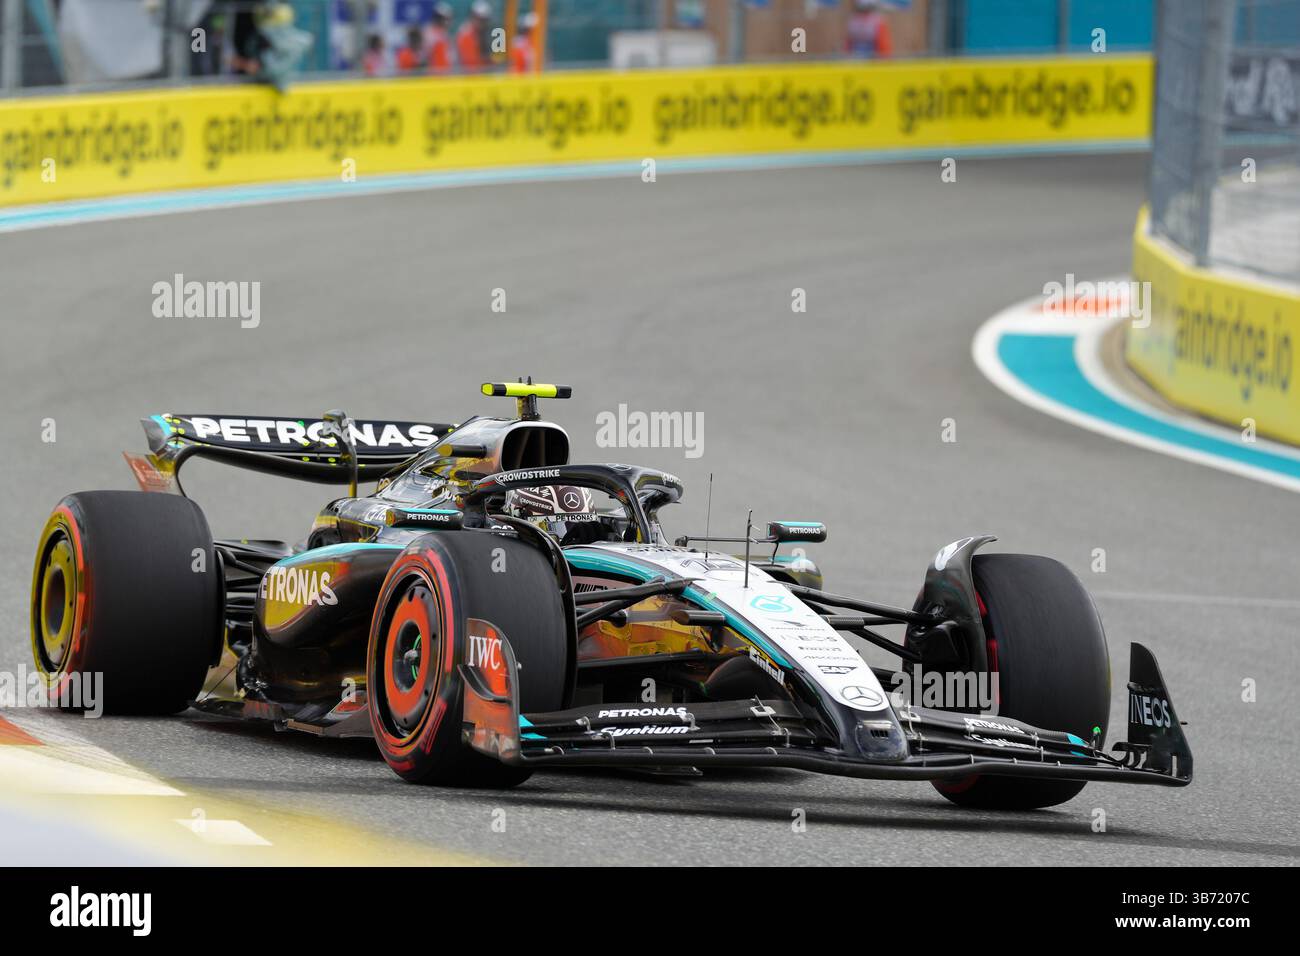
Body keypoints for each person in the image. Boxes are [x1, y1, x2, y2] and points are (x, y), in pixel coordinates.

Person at [456, 0, 493, 72]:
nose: (483, 23)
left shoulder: (483, 34)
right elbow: (470, 66)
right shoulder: (466, 35)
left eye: (485, 20)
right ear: (473, 17)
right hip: (468, 78)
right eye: (481, 19)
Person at [426, 2, 454, 74]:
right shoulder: (430, 35)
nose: (448, 22)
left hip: (446, 77)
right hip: (433, 78)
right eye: (445, 19)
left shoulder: (446, 35)